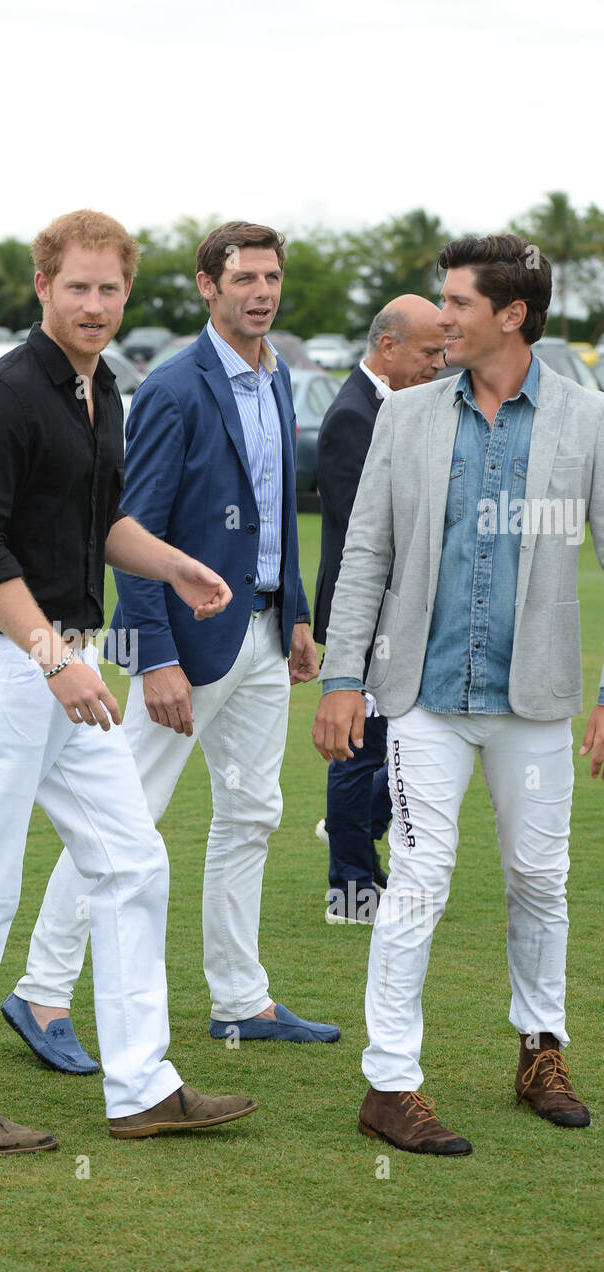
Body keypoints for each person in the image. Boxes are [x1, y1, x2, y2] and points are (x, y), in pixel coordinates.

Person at [0, 209, 259, 1153]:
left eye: (110, 289)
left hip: (70, 668)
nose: (96, 305)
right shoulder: (3, 394)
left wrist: (173, 563)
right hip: (8, 665)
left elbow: (98, 522)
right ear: (43, 287)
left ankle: (142, 1087)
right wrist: (54, 658)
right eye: (78, 288)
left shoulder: (100, 389)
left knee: (133, 863)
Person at [2, 220, 338, 1078]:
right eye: (244, 279)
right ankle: (41, 993)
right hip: (181, 648)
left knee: (253, 815)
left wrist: (295, 615)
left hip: (262, 634)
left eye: (271, 277)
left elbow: (275, 511)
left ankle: (239, 999)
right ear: (206, 286)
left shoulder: (279, 375)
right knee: (120, 822)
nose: (261, 292)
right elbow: (129, 528)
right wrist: (152, 656)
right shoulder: (174, 388)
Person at [313, 233, 604, 1155]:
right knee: (420, 881)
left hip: (537, 699)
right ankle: (391, 1084)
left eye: (459, 304)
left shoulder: (587, 419)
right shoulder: (405, 414)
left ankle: (539, 1052)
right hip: (425, 697)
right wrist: (343, 678)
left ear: (511, 316)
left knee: (539, 880)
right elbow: (366, 554)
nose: (442, 318)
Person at [313, 296, 445, 926]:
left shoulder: (393, 406)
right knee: (358, 751)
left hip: (397, 619)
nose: (439, 365)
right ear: (387, 347)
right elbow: (362, 530)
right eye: (428, 353)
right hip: (364, 619)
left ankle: (359, 848)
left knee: (389, 748)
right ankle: (351, 889)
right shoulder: (351, 416)